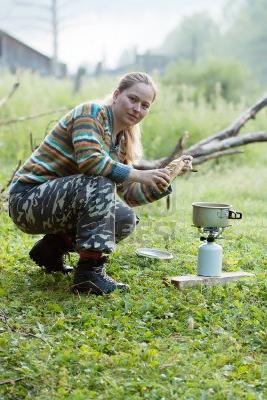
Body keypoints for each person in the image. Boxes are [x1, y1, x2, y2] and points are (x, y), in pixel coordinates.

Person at [8, 72, 193, 295]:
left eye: (145, 105)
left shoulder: (123, 142)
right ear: (116, 95)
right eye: (132, 99)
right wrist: (140, 173)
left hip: (54, 205)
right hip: (26, 201)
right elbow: (91, 162)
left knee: (124, 218)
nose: (137, 108)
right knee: (100, 182)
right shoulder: (91, 113)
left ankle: (51, 248)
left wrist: (165, 178)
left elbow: (128, 195)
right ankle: (89, 274)